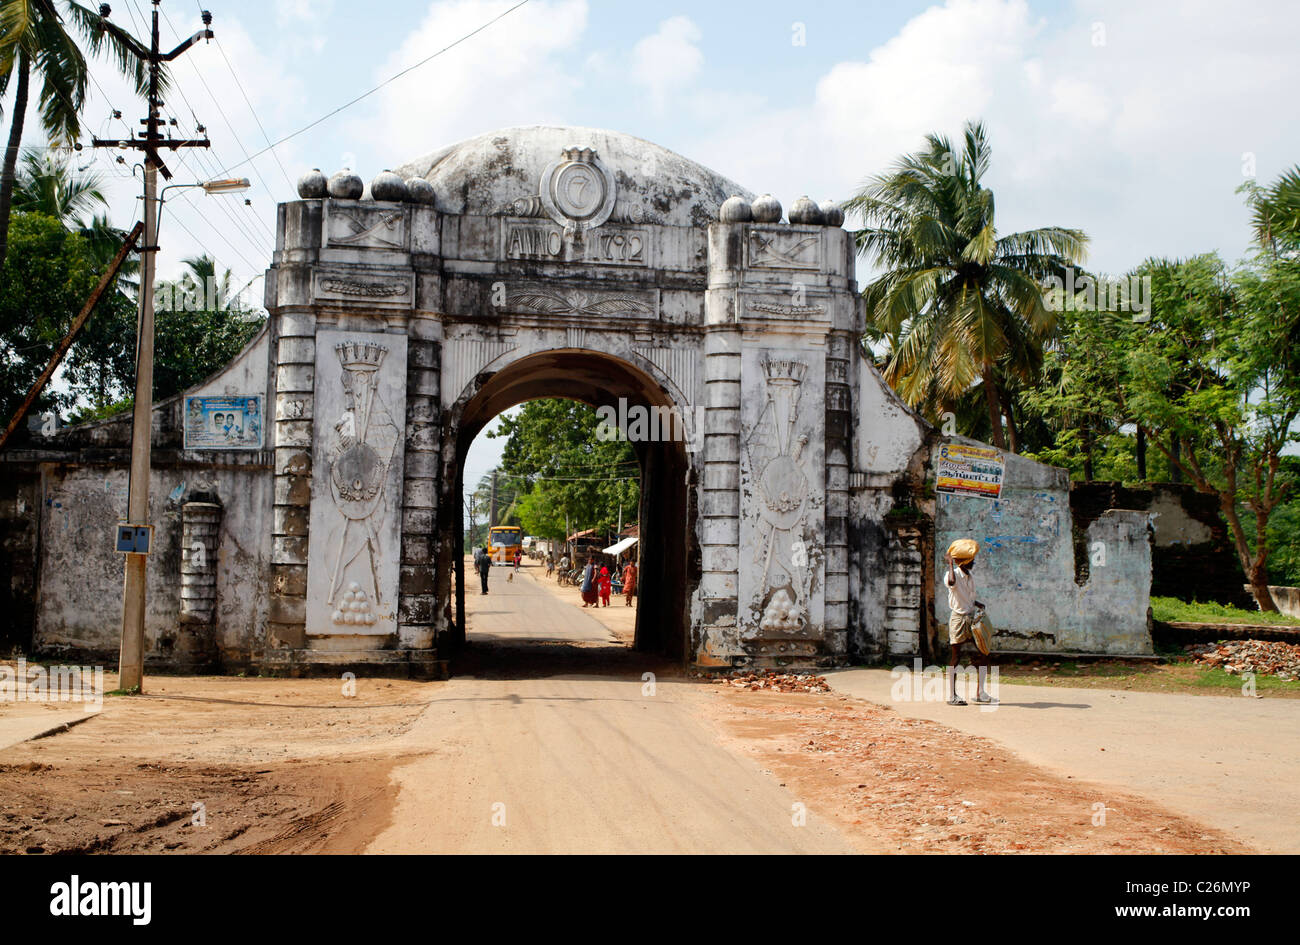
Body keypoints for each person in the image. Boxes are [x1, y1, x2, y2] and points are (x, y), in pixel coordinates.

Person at [944, 538, 992, 705]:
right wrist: (951, 564)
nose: (974, 563)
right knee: (956, 657)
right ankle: (952, 695)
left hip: (971, 617)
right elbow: (951, 583)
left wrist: (977, 604)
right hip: (958, 619)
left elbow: (967, 597)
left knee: (983, 653)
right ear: (963, 562)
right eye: (971, 561)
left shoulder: (970, 576)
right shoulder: (953, 575)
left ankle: (980, 692)